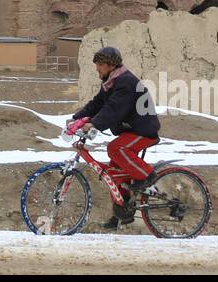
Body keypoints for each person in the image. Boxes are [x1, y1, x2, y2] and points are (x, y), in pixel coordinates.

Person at [67, 46, 161, 228]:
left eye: (100, 64)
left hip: (143, 130)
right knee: (114, 175)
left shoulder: (125, 82)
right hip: (130, 130)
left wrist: (94, 124)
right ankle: (121, 215)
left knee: (115, 148)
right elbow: (97, 104)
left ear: (111, 65)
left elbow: (113, 110)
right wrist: (76, 118)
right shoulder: (112, 82)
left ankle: (147, 176)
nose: (97, 68)